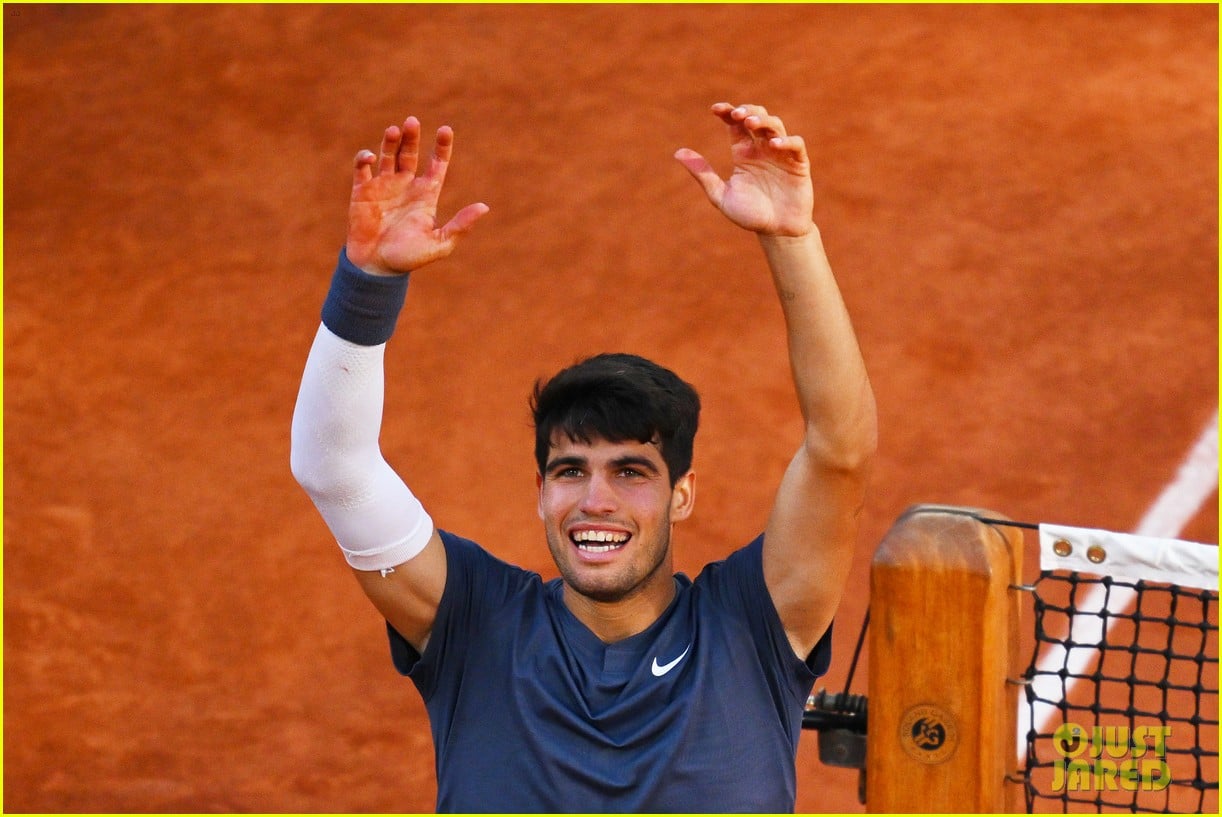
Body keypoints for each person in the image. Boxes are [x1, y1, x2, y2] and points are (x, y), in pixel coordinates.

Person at [290, 102, 877, 812]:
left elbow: (840, 449)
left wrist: (791, 238)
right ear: (540, 490)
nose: (596, 500)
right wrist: (368, 284)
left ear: (682, 493)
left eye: (631, 471)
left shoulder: (752, 626)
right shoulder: (474, 623)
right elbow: (336, 469)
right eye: (571, 470)